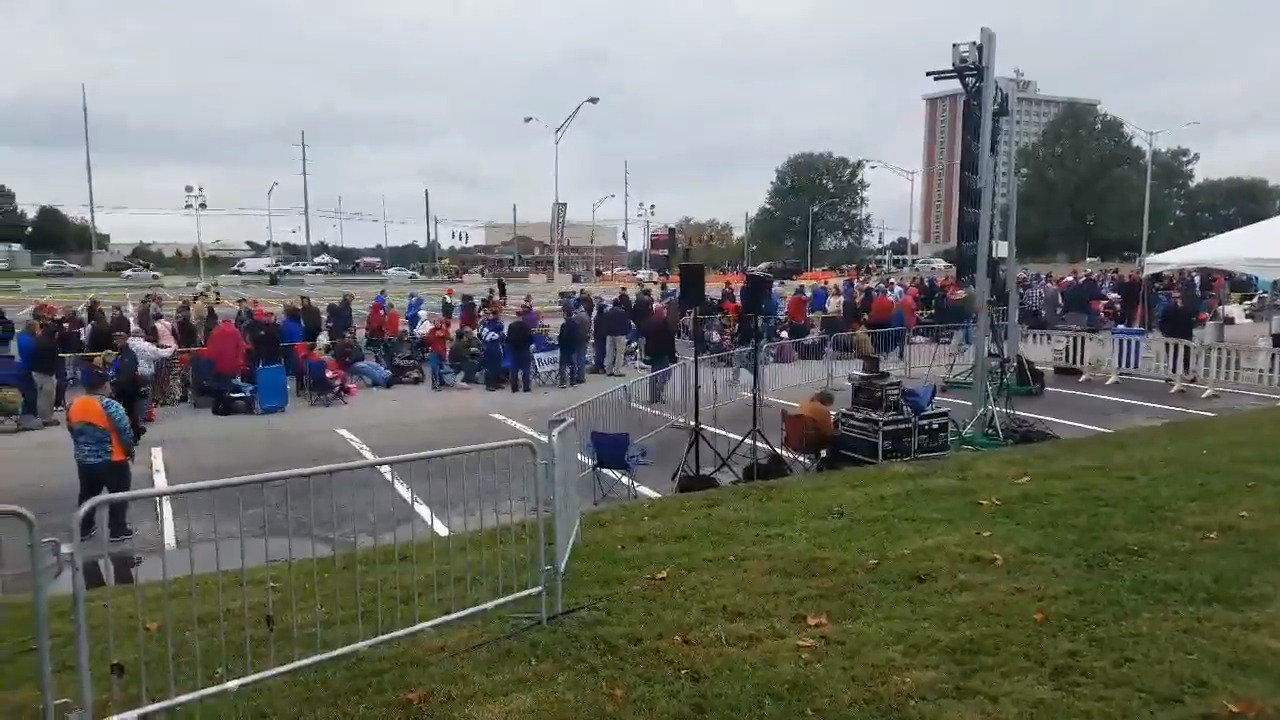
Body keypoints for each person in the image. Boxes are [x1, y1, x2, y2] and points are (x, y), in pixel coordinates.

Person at [67, 364, 136, 542]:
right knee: (118, 495)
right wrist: (129, 450)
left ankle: (84, 528)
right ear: (105, 385)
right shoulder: (111, 406)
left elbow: (72, 430)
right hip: (113, 459)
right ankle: (117, 529)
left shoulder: (74, 405)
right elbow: (125, 432)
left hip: (85, 461)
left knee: (87, 496)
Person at [794, 390, 837, 454]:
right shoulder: (823, 411)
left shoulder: (804, 404)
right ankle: (823, 457)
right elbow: (828, 432)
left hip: (794, 440)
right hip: (809, 444)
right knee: (834, 439)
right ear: (827, 402)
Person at [506, 310, 534, 393]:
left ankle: (514, 387)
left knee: (514, 370)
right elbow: (530, 338)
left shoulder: (511, 326)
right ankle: (526, 387)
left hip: (514, 350)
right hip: (524, 350)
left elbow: (508, 338)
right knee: (526, 370)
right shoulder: (526, 326)